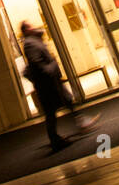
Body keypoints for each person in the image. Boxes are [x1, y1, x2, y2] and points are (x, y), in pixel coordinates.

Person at [20, 21, 99, 152]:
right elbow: (36, 63)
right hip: (47, 84)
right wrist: (51, 67)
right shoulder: (29, 44)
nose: (34, 26)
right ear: (26, 30)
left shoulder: (34, 40)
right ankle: (56, 138)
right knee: (51, 111)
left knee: (67, 100)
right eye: (30, 26)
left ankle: (80, 123)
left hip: (51, 82)